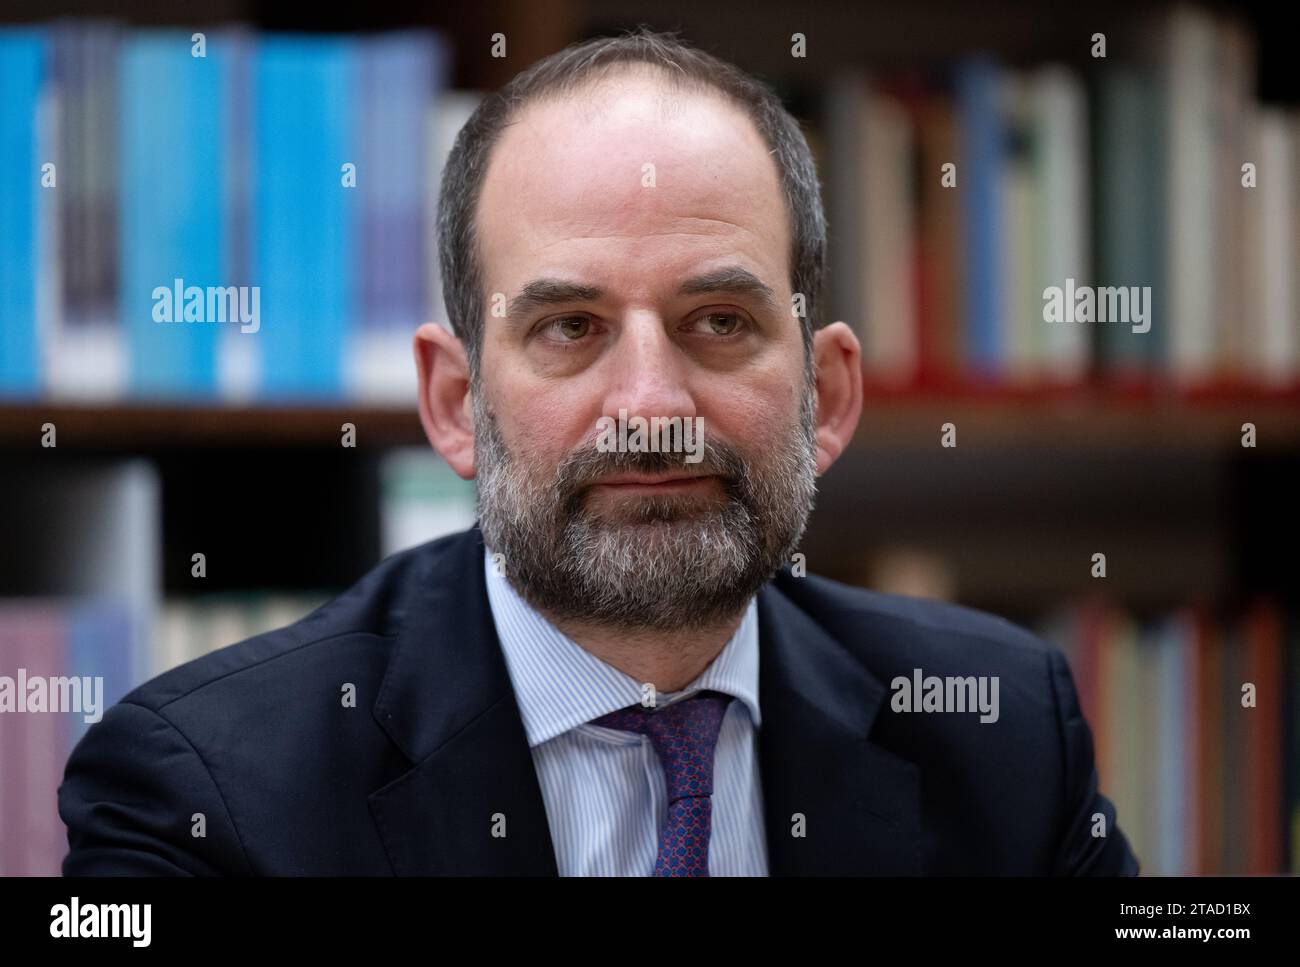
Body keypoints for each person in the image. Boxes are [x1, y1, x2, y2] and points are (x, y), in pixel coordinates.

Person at [59, 27, 1138, 876]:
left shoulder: (1001, 730)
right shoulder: (202, 791)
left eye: (718, 320)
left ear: (828, 393)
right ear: (453, 403)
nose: (650, 404)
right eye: (569, 328)